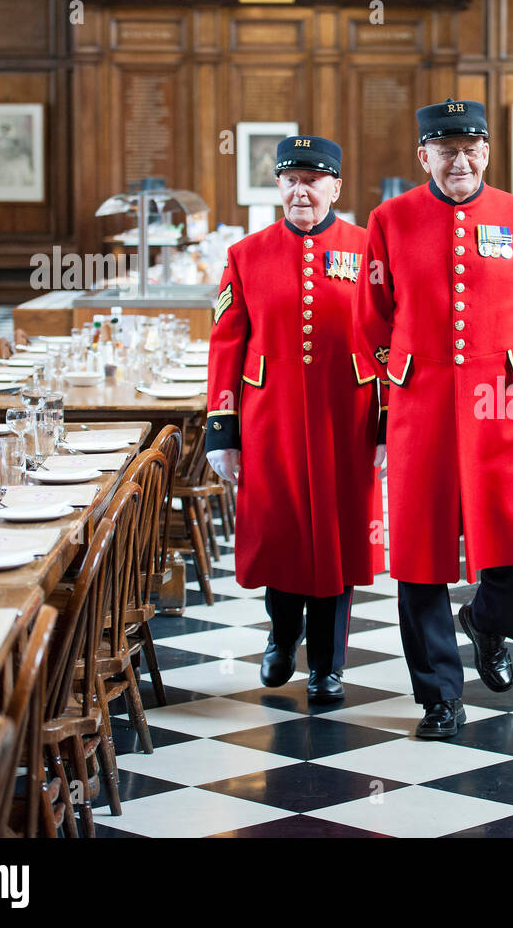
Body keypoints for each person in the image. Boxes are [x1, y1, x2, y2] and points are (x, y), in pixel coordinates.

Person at [354, 98, 513, 739]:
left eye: (471, 148)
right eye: (447, 150)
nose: (461, 159)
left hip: (503, 395)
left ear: (488, 153)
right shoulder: (391, 219)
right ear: (425, 157)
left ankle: (491, 623)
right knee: (420, 550)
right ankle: (439, 695)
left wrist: (511, 362)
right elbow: (372, 312)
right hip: (423, 400)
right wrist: (404, 371)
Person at [206, 135, 385, 704]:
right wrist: (221, 430)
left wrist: (387, 426)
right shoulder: (246, 254)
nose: (301, 189)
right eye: (290, 179)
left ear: (336, 185)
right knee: (280, 531)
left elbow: (387, 342)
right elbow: (225, 344)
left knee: (337, 538)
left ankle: (328, 664)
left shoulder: (367, 249)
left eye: (314, 179)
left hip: (346, 414)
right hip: (270, 417)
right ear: (278, 185)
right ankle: (282, 637)